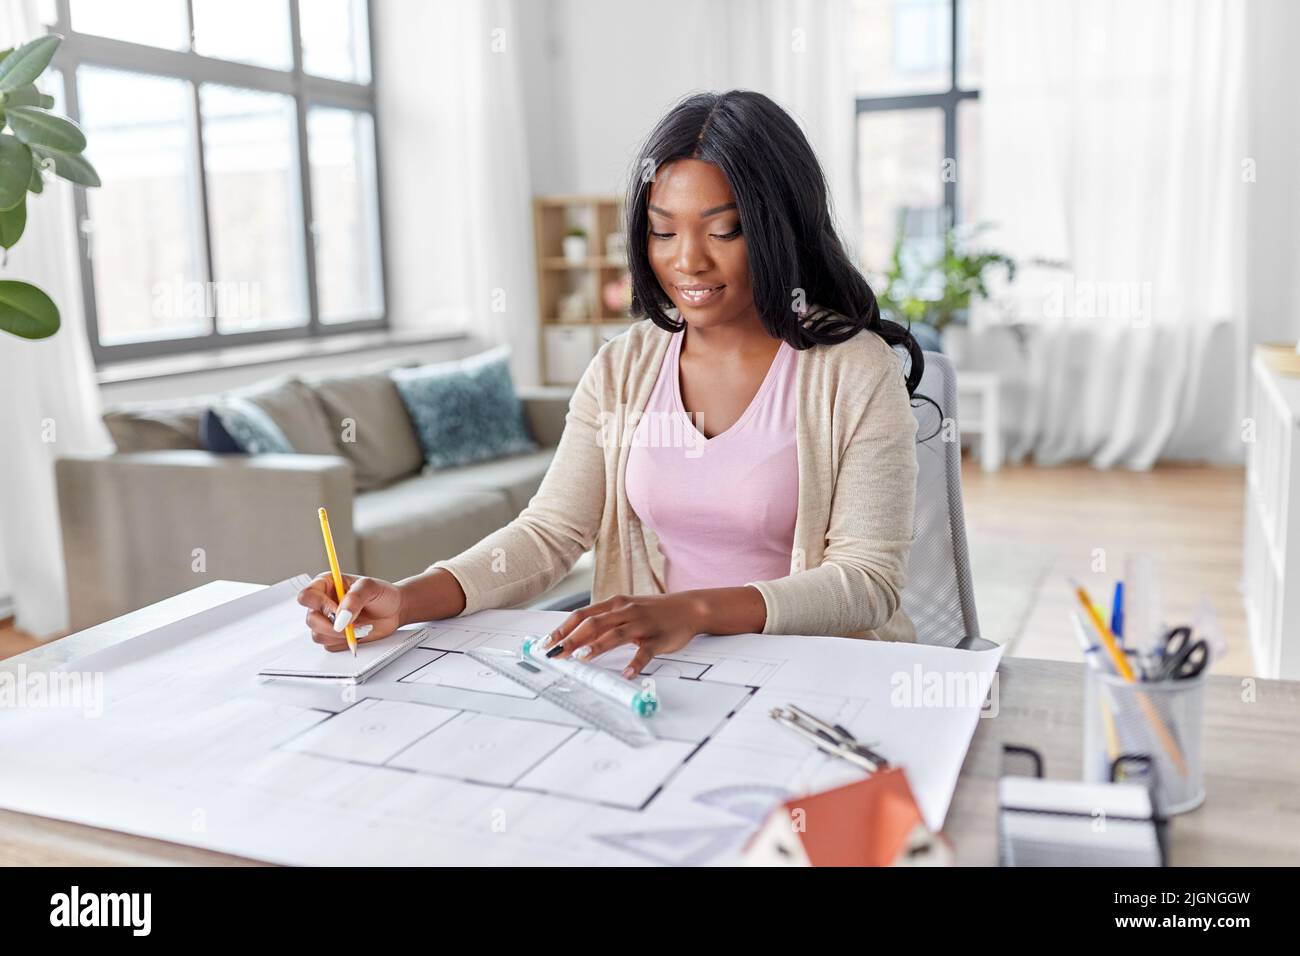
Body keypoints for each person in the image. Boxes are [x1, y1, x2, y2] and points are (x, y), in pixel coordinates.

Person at [297, 89, 924, 679]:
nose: (688, 260)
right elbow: (550, 533)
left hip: (820, 677)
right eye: (663, 229)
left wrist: (693, 610)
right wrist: (406, 600)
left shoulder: (854, 370)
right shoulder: (623, 369)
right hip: (667, 674)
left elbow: (866, 582)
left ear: (779, 224)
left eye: (723, 229)